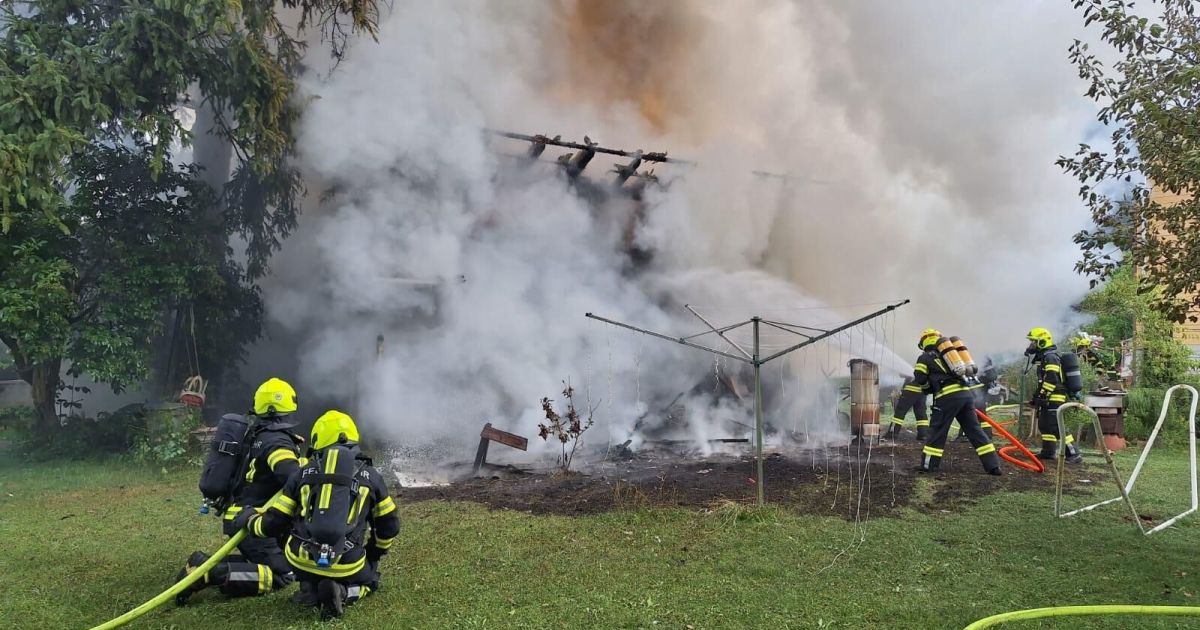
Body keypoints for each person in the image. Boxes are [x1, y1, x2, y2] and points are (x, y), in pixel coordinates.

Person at [235, 410, 400, 620]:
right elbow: (390, 525)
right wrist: (376, 552)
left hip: (300, 560)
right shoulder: (371, 476)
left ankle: (310, 588)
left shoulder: (302, 472)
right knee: (371, 579)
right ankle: (343, 592)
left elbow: (275, 522)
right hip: (346, 563)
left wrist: (249, 521)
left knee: (302, 555)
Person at [175, 377, 306, 603]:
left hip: (242, 515)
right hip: (254, 521)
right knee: (283, 575)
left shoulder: (256, 433)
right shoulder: (276, 441)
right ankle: (210, 572)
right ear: (289, 405)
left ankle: (204, 564)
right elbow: (290, 474)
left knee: (279, 561)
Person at [910, 328, 1002, 475]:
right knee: (975, 430)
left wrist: (927, 388)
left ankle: (928, 466)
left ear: (924, 342)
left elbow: (920, 377)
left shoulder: (925, 357)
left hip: (947, 397)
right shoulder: (952, 357)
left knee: (937, 432)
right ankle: (993, 466)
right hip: (966, 396)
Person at [1027, 328, 1083, 463]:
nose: (1031, 345)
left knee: (1056, 426)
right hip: (1048, 396)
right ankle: (1048, 452)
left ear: (1042, 342)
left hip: (1055, 396)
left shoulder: (1051, 357)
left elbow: (1052, 378)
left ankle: (1074, 455)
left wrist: (1043, 395)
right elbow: (1043, 381)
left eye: (1034, 342)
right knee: (1045, 425)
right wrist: (1036, 397)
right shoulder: (1045, 357)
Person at [885, 375, 929, 441]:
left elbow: (903, 374)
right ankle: (923, 434)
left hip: (910, 391)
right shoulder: (927, 367)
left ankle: (893, 433)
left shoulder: (918, 367)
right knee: (921, 414)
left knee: (899, 412)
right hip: (922, 392)